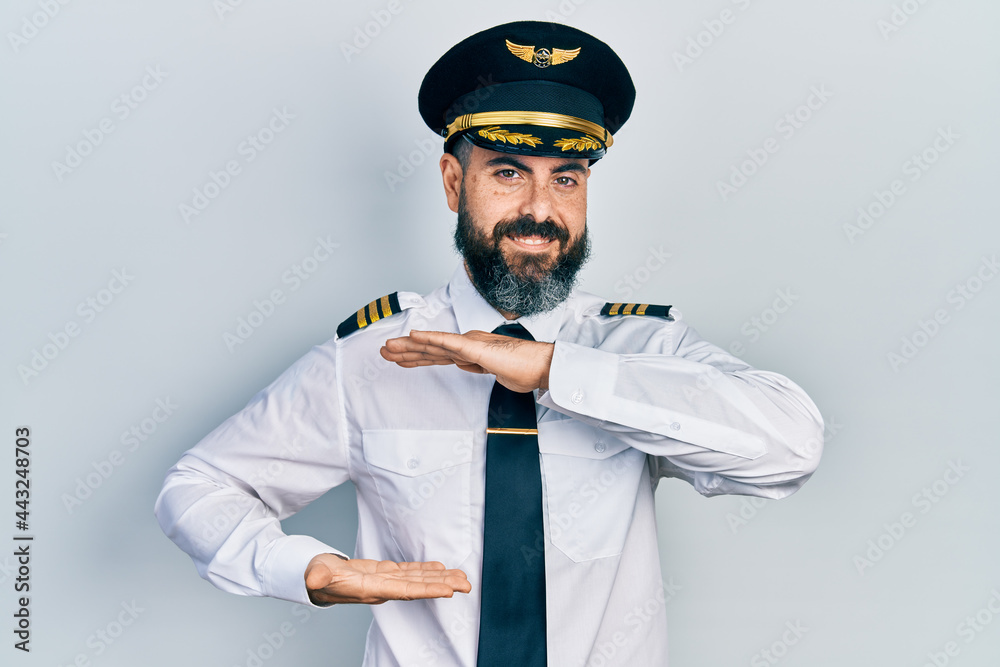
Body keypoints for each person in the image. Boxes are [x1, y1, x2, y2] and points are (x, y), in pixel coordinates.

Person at [155, 20, 824, 666]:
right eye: (508, 172)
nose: (540, 208)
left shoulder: (639, 347)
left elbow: (791, 446)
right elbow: (198, 486)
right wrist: (298, 568)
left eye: (566, 177)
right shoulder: (374, 356)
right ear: (454, 182)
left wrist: (555, 369)